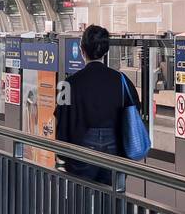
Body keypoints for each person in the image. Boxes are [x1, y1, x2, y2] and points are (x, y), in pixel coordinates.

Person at [54, 24, 141, 190]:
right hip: (115, 152)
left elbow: (62, 120)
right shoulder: (122, 81)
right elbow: (135, 109)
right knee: (113, 198)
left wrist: (62, 155)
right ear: (105, 51)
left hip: (81, 151)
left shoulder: (69, 83)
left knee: (80, 198)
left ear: (82, 50)